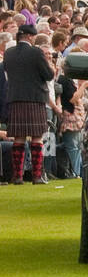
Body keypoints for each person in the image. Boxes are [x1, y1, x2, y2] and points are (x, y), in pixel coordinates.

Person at [3, 23, 54, 183]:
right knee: (37, 138)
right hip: (35, 98)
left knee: (18, 138)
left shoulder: (8, 53)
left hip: (15, 98)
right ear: (31, 37)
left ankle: (17, 176)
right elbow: (48, 75)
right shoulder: (36, 52)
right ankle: (36, 176)